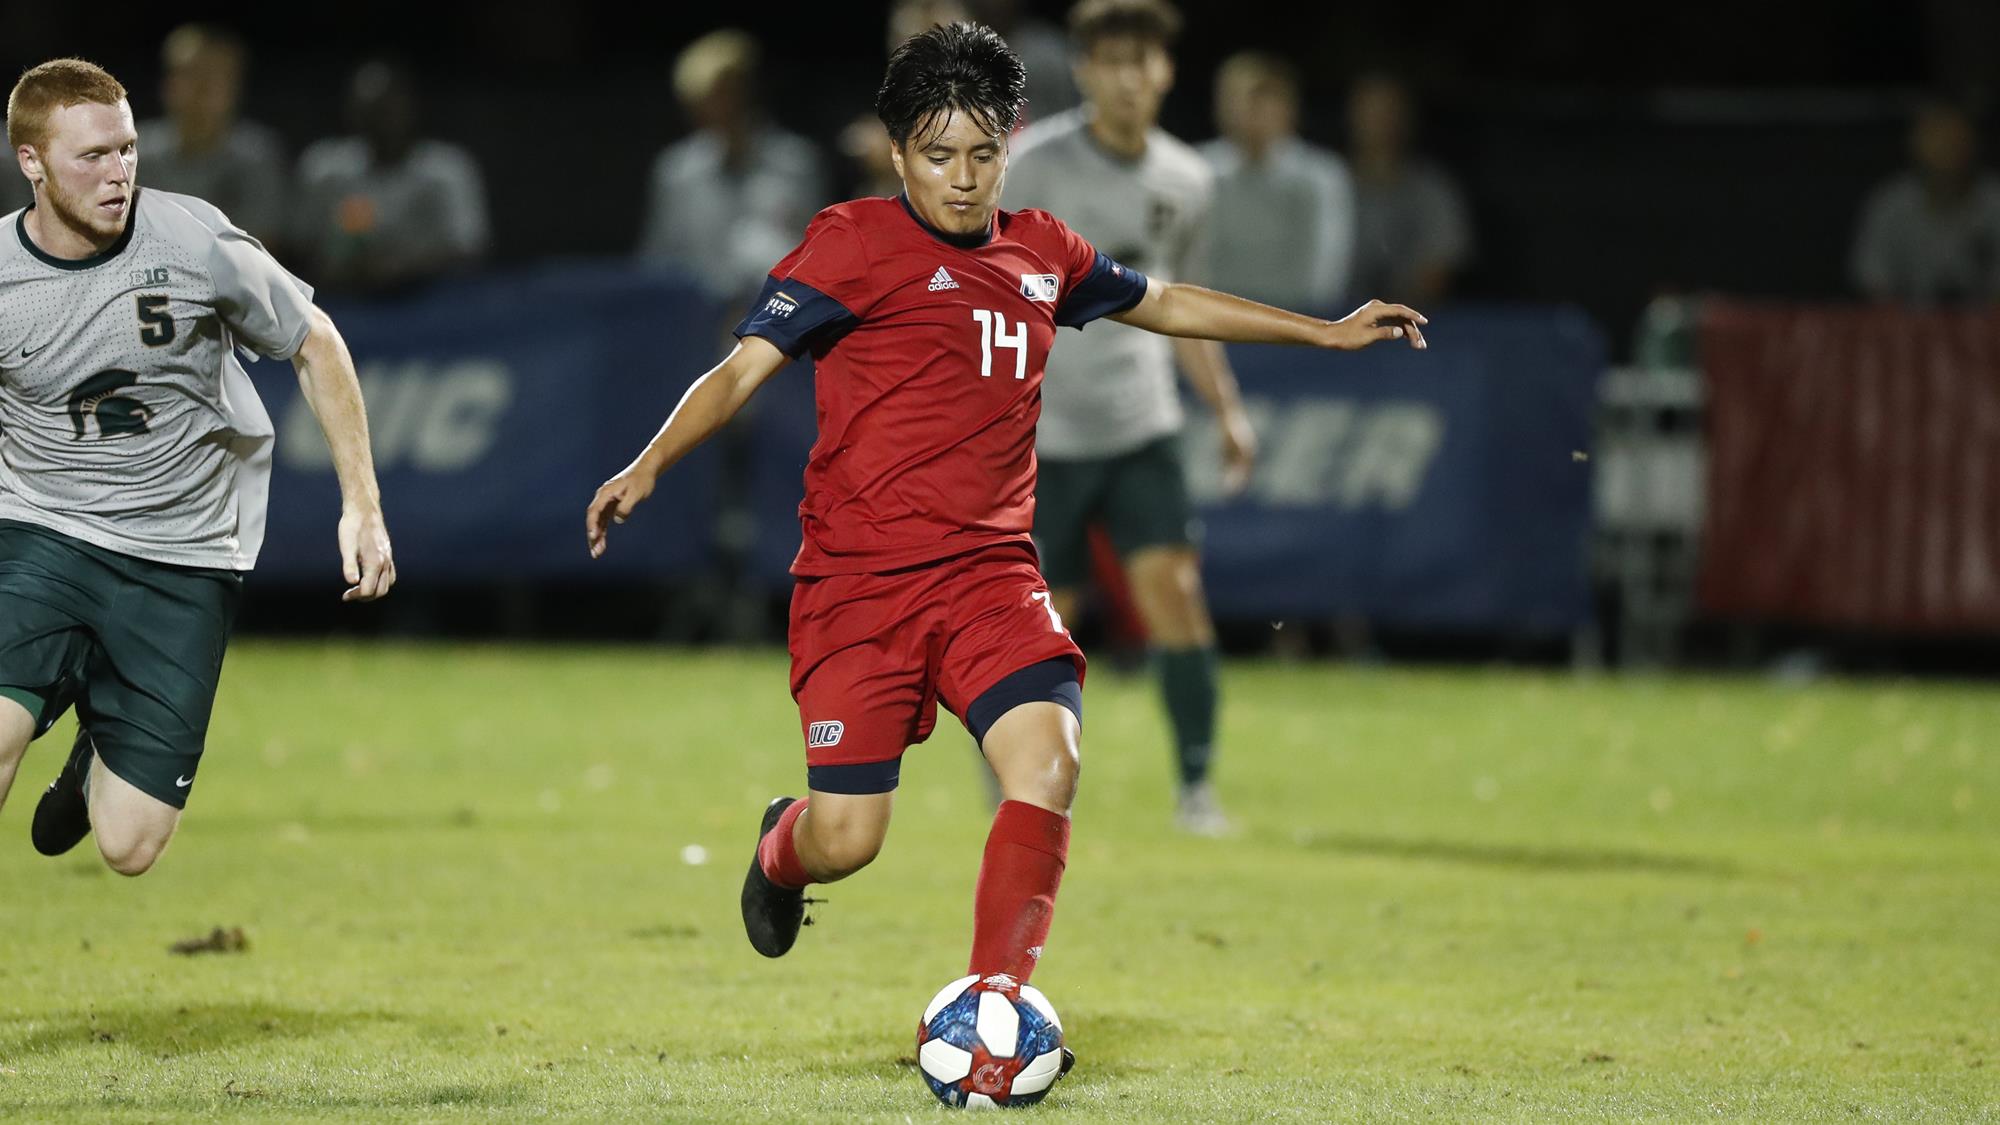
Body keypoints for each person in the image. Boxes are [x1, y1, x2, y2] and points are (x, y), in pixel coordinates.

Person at [584, 22, 1421, 1006]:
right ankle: (782, 850)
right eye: (937, 155)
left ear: (1006, 150)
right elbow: (740, 371)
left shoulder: (1042, 253)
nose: (962, 177)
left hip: (990, 581)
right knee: (848, 838)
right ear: (898, 153)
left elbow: (1169, 304)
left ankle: (994, 1003)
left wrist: (1323, 335)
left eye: (982, 154)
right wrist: (648, 462)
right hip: (860, 590)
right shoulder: (848, 244)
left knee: (1049, 762)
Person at [0, 59, 395, 876]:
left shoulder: (193, 240)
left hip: (184, 551)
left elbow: (315, 341)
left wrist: (363, 503)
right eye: (92, 158)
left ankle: (91, 736)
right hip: (44, 524)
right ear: (30, 163)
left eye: (128, 149)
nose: (118, 175)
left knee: (129, 845)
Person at [1003, 0, 1255, 835]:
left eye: (1144, 60)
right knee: (1047, 619)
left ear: (1167, 72)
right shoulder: (1032, 166)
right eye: (1113, 60)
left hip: (1140, 422)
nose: (1130, 76)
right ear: (1084, 70)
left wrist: (1226, 411)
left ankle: (1196, 787)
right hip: (1042, 433)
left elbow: (1185, 308)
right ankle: (1020, 779)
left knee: (1175, 594)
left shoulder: (1189, 178)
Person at [637, 30, 828, 303]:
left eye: (723, 93)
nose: (715, 108)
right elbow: (658, 261)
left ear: (745, 89)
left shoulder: (796, 163)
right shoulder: (676, 172)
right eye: (701, 100)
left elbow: (819, 252)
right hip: (696, 320)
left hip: (778, 319)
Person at [292, 59, 490, 294]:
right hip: (347, 301)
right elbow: (298, 248)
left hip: (430, 301)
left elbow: (470, 248)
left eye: (387, 109)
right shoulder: (324, 169)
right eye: (369, 110)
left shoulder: (447, 169)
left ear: (409, 107)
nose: (379, 121)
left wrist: (406, 265)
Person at [1201, 49, 1354, 311]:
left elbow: (1325, 275)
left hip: (1297, 327)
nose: (1243, 109)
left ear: (1287, 107)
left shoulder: (1322, 176)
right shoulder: (1197, 170)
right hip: (1214, 325)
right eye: (1232, 98)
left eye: (1259, 99)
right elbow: (1190, 266)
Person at [135, 24, 289, 248]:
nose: (201, 89)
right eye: (190, 74)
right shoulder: (131, 152)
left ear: (234, 88)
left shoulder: (258, 158)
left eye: (214, 77)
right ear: (168, 84)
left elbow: (259, 250)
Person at [1850, 96, 2000, 304]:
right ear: (1914, 142)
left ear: (1974, 141)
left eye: (1955, 136)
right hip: (1907, 328)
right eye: (1936, 135)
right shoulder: (1890, 202)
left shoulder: (1995, 201)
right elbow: (1872, 281)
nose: (1946, 146)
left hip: (1986, 329)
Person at [1346, 72, 1472, 305]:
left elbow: (1437, 272)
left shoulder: (1433, 189)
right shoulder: (1328, 182)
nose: (1380, 121)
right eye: (1371, 111)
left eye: (1390, 111)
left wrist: (1391, 320)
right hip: (1331, 318)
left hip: (1410, 322)